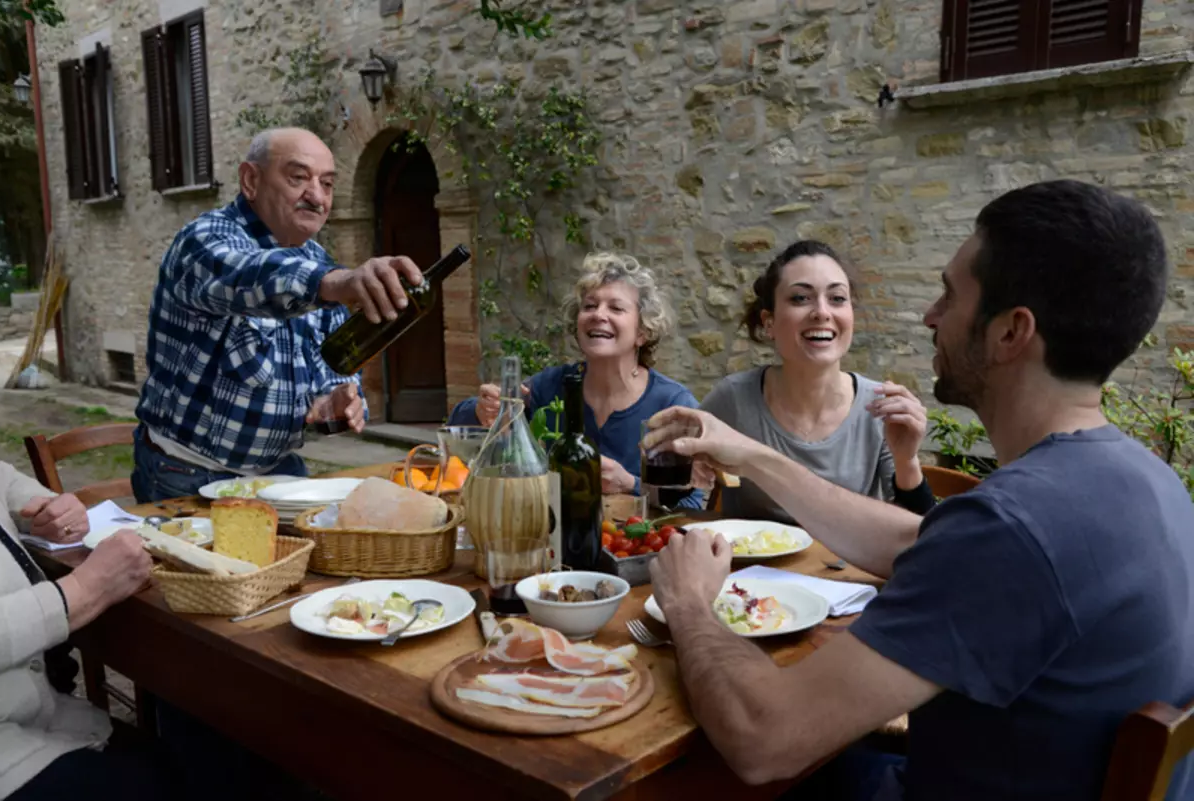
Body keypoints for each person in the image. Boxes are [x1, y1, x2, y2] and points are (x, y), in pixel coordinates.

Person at [643, 180, 1194, 801]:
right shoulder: (1145, 481)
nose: (930, 315)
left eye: (949, 294)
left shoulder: (1010, 532)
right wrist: (751, 454)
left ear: (1011, 333)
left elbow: (763, 737)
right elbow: (919, 538)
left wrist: (689, 603)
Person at [132, 127, 424, 503]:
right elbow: (250, 275)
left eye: (328, 184)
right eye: (298, 177)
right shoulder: (204, 241)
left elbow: (332, 376)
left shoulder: (319, 265)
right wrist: (335, 284)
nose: (316, 196)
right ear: (251, 180)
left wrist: (335, 402)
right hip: (186, 473)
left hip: (280, 473)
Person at [699, 240, 934, 521]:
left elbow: (919, 533)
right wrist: (685, 467)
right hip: (749, 565)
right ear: (769, 322)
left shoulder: (881, 408)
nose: (822, 312)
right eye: (800, 298)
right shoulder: (734, 400)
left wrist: (907, 461)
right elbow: (668, 484)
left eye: (837, 298)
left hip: (850, 566)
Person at [449, 252, 703, 508]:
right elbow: (457, 429)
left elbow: (692, 504)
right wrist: (483, 411)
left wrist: (629, 484)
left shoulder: (672, 403)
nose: (598, 314)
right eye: (590, 306)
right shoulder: (550, 386)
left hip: (637, 546)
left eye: (615, 307)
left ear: (642, 332)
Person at [0, 457, 172, 800]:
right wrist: (85, 591)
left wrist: (47, 508)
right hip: (5, 756)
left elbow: (3, 479)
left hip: (40, 713)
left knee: (186, 760)